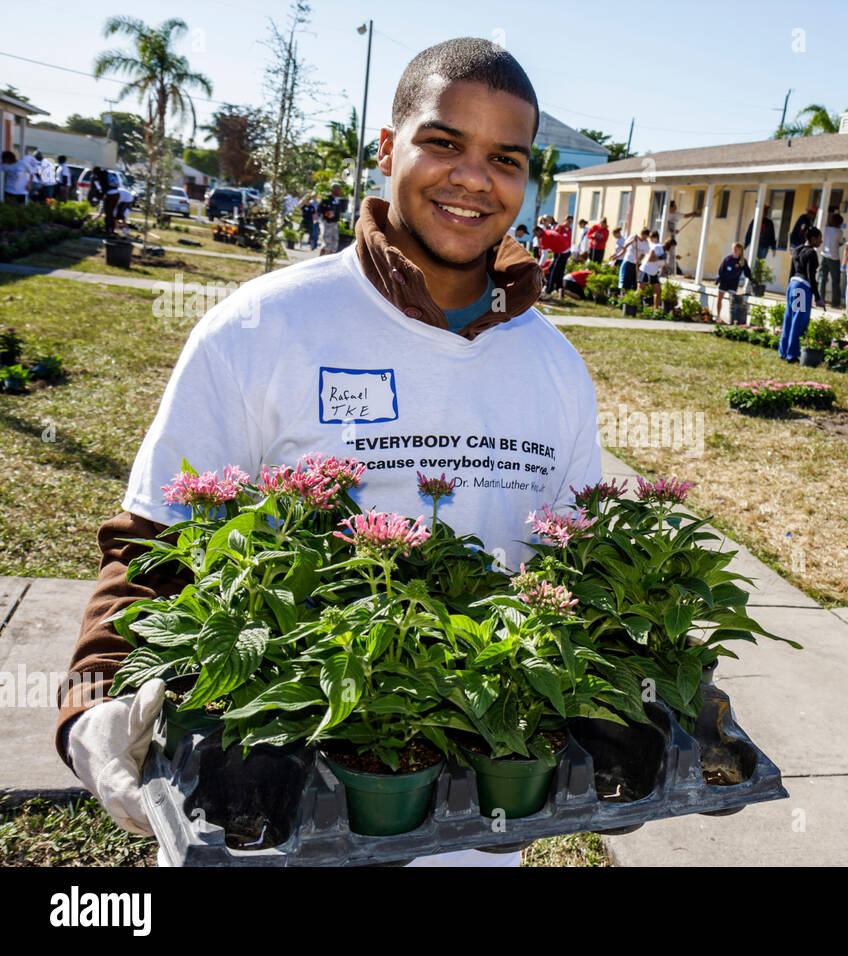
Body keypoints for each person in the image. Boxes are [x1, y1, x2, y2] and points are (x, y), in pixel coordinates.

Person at [57, 36, 600, 870]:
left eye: (506, 158)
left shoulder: (554, 367)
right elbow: (150, 536)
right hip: (261, 817)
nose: (472, 178)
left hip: (466, 835)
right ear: (388, 149)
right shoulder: (264, 324)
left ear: (527, 181)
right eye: (443, 142)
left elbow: (580, 565)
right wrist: (93, 701)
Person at [779, 227, 825, 362]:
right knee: (798, 321)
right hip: (802, 287)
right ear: (813, 238)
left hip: (792, 285)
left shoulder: (797, 250)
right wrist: (817, 296)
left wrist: (788, 288)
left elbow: (791, 271)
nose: (821, 241)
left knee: (789, 319)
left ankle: (783, 351)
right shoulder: (811, 253)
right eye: (819, 238)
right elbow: (811, 276)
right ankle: (792, 354)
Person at [714, 242, 753, 321]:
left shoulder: (742, 261)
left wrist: (752, 279)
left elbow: (747, 272)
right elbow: (721, 269)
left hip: (733, 283)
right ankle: (718, 316)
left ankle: (731, 319)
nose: (734, 251)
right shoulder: (728, 259)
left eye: (736, 249)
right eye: (733, 249)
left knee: (732, 301)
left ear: (740, 251)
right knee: (719, 299)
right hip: (724, 282)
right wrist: (718, 279)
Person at [817, 213, 845, 309]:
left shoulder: (825, 229)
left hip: (824, 255)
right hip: (834, 257)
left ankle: (820, 299)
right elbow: (840, 242)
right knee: (835, 280)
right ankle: (835, 302)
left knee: (822, 278)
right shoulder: (839, 232)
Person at [639, 232, 670, 308]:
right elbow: (650, 259)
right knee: (640, 290)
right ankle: (636, 305)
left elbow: (664, 263)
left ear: (655, 238)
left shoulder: (659, 247)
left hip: (654, 272)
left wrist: (665, 268)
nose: (650, 240)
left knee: (658, 291)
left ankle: (656, 309)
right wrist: (660, 258)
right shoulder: (655, 246)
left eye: (651, 238)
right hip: (646, 270)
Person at [619, 227, 650, 299]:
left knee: (634, 281)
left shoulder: (646, 243)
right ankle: (625, 297)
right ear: (641, 234)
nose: (644, 238)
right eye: (643, 236)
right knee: (627, 281)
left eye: (646, 237)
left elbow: (644, 253)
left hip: (636, 263)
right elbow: (625, 246)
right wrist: (632, 241)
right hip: (629, 261)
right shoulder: (633, 237)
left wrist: (639, 260)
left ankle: (631, 298)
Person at [318, 184, 345, 255]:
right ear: (334, 190)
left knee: (334, 241)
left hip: (334, 223)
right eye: (339, 190)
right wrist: (327, 213)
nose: (340, 191)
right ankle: (321, 258)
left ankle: (329, 258)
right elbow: (319, 209)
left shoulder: (338, 200)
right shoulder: (326, 198)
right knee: (326, 242)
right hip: (327, 222)